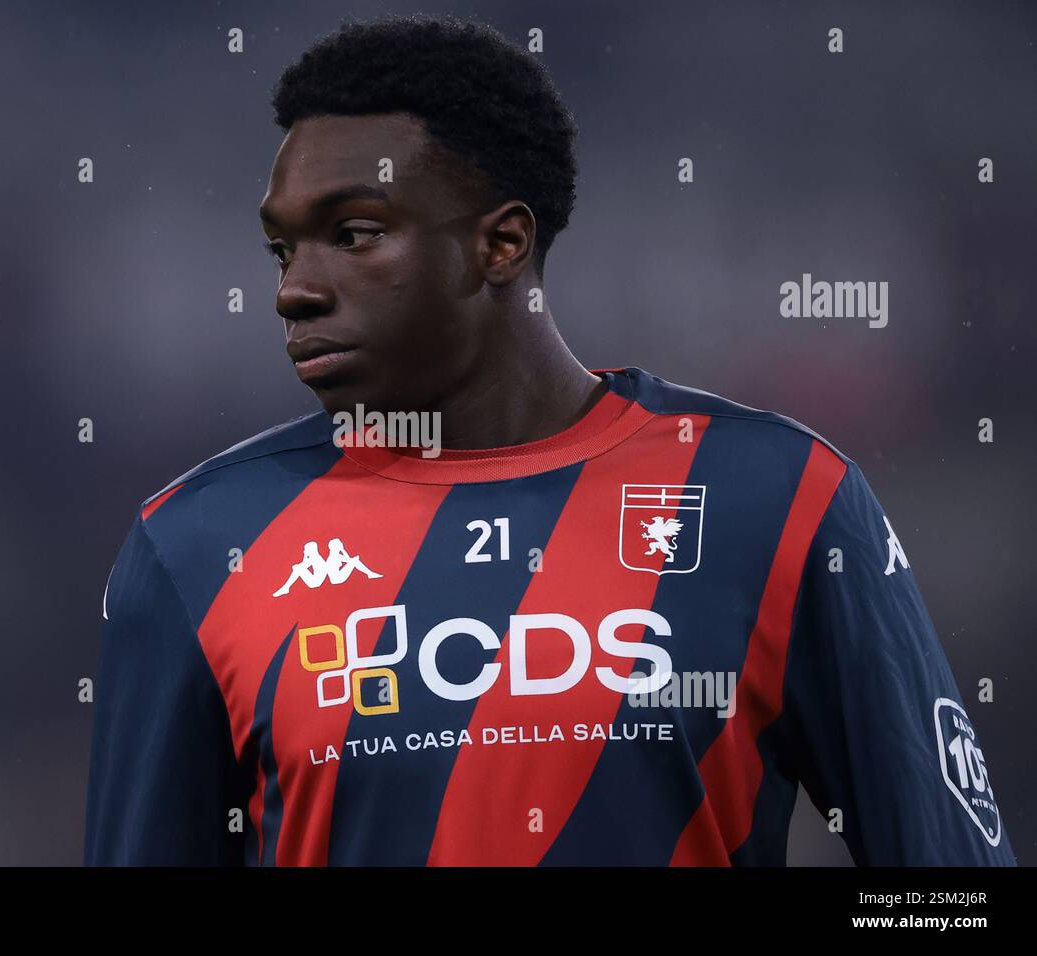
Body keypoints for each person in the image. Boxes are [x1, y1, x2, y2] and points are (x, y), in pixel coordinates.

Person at [83, 14, 1014, 866]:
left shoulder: (781, 500)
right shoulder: (197, 547)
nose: (294, 288)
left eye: (354, 235)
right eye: (283, 251)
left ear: (502, 244)